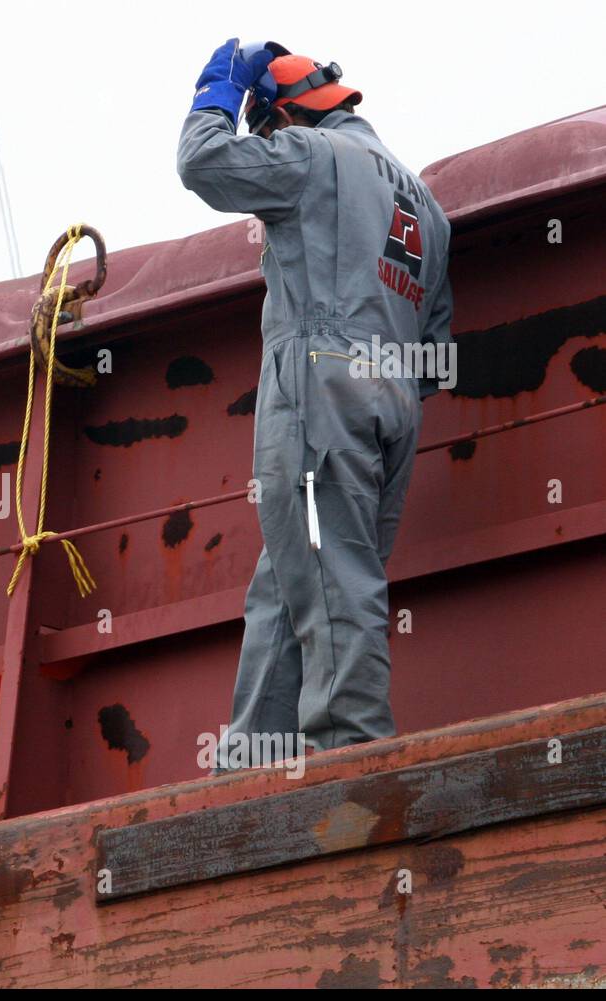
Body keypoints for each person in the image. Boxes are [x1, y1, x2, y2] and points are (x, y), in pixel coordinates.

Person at [176, 41, 453, 767]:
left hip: (321, 389)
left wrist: (220, 92)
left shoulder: (307, 155)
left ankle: (352, 766)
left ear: (288, 115)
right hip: (393, 404)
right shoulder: (427, 206)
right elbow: (434, 353)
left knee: (332, 583)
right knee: (293, 579)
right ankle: (252, 765)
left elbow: (202, 163)